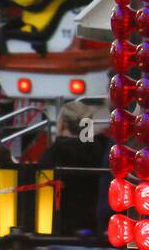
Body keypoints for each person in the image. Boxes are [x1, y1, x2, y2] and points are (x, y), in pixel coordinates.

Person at [37, 100, 107, 235]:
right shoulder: (103, 151)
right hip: (99, 229)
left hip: (60, 230)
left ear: (62, 124)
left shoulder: (54, 154)